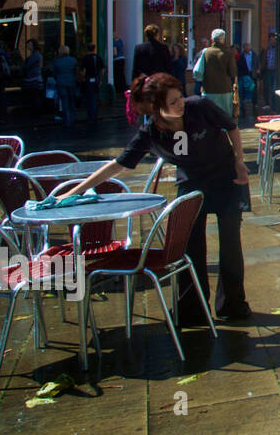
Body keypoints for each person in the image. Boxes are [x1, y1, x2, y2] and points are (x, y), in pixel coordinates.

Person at [68, 73, 252, 323]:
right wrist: (74, 191)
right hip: (191, 183)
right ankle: (191, 311)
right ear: (158, 109)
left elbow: (231, 126)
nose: (181, 103)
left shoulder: (199, 106)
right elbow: (118, 165)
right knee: (188, 247)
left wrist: (240, 162)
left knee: (230, 243)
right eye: (173, 102)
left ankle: (233, 305)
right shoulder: (151, 133)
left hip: (226, 177)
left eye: (180, 97)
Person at [198, 29, 237, 117]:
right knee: (225, 117)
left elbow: (198, 71)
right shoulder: (228, 53)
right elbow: (232, 73)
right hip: (225, 90)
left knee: (209, 116)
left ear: (212, 39)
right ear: (223, 39)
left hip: (208, 90)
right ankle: (224, 131)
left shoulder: (206, 52)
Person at [51, 45, 78, 127]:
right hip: (71, 82)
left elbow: (54, 73)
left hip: (61, 83)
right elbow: (76, 71)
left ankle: (67, 121)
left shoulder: (56, 61)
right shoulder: (73, 60)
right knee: (71, 102)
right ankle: (72, 119)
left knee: (64, 102)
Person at [80, 43, 104, 125]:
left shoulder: (86, 58)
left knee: (89, 98)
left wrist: (82, 78)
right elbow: (102, 69)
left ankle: (91, 116)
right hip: (96, 78)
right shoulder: (98, 57)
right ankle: (95, 115)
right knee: (95, 97)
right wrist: (100, 80)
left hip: (88, 79)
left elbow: (84, 71)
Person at [21, 40, 43, 112]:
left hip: (33, 79)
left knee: (35, 97)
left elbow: (27, 66)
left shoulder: (35, 55)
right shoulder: (36, 55)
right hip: (34, 79)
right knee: (35, 96)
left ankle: (36, 112)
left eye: (29, 45)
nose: (28, 46)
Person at [260, 33, 280, 109]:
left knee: (274, 89)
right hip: (268, 71)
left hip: (275, 71)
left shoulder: (278, 50)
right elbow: (264, 60)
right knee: (267, 88)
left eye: (273, 40)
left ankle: (274, 107)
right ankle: (269, 104)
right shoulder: (267, 49)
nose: (272, 41)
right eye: (271, 40)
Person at [112, 33, 126, 102]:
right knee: (121, 74)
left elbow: (115, 53)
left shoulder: (114, 43)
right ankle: (123, 87)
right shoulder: (120, 41)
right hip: (122, 58)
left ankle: (118, 89)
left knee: (117, 75)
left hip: (117, 59)